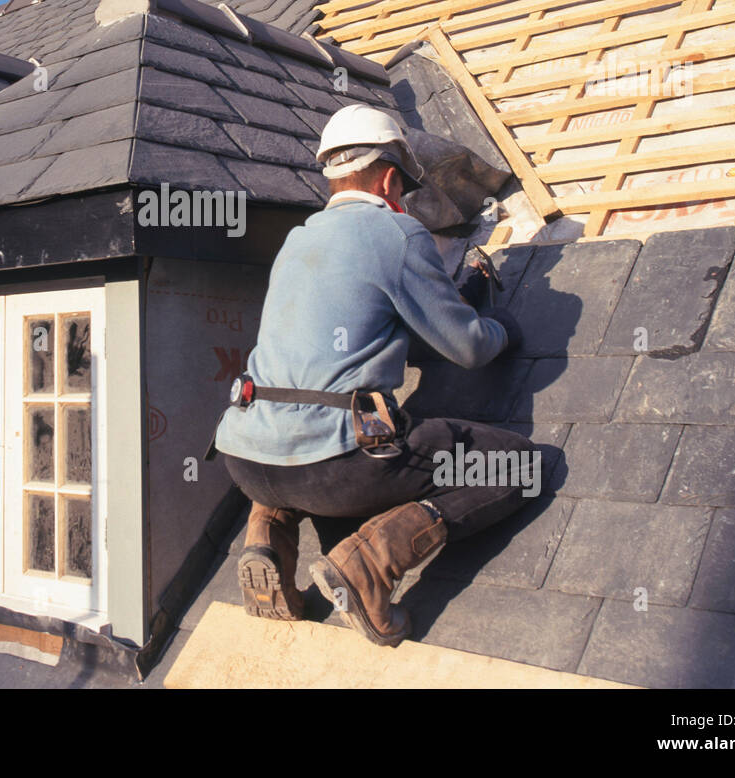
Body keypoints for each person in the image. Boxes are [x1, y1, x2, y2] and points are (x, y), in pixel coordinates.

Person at [209, 103, 539, 647]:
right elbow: (468, 348)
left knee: (296, 432)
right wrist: (501, 327)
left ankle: (267, 535)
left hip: (249, 462)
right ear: (389, 178)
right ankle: (366, 568)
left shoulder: (298, 241)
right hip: (333, 468)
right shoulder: (398, 233)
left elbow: (363, 320)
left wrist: (452, 298)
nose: (405, 201)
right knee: (520, 465)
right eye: (404, 190)